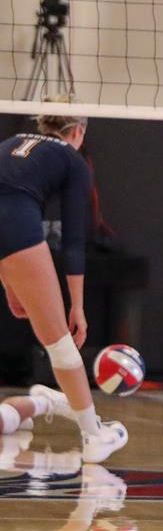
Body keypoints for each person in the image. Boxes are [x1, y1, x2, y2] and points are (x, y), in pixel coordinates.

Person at [0, 114, 125, 461]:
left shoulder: (10, 144)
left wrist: (10, 282)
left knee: (50, 338)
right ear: (79, 131)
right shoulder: (73, 160)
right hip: (15, 222)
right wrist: (78, 307)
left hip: (9, 227)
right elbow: (73, 242)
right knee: (60, 343)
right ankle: (93, 436)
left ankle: (44, 404)